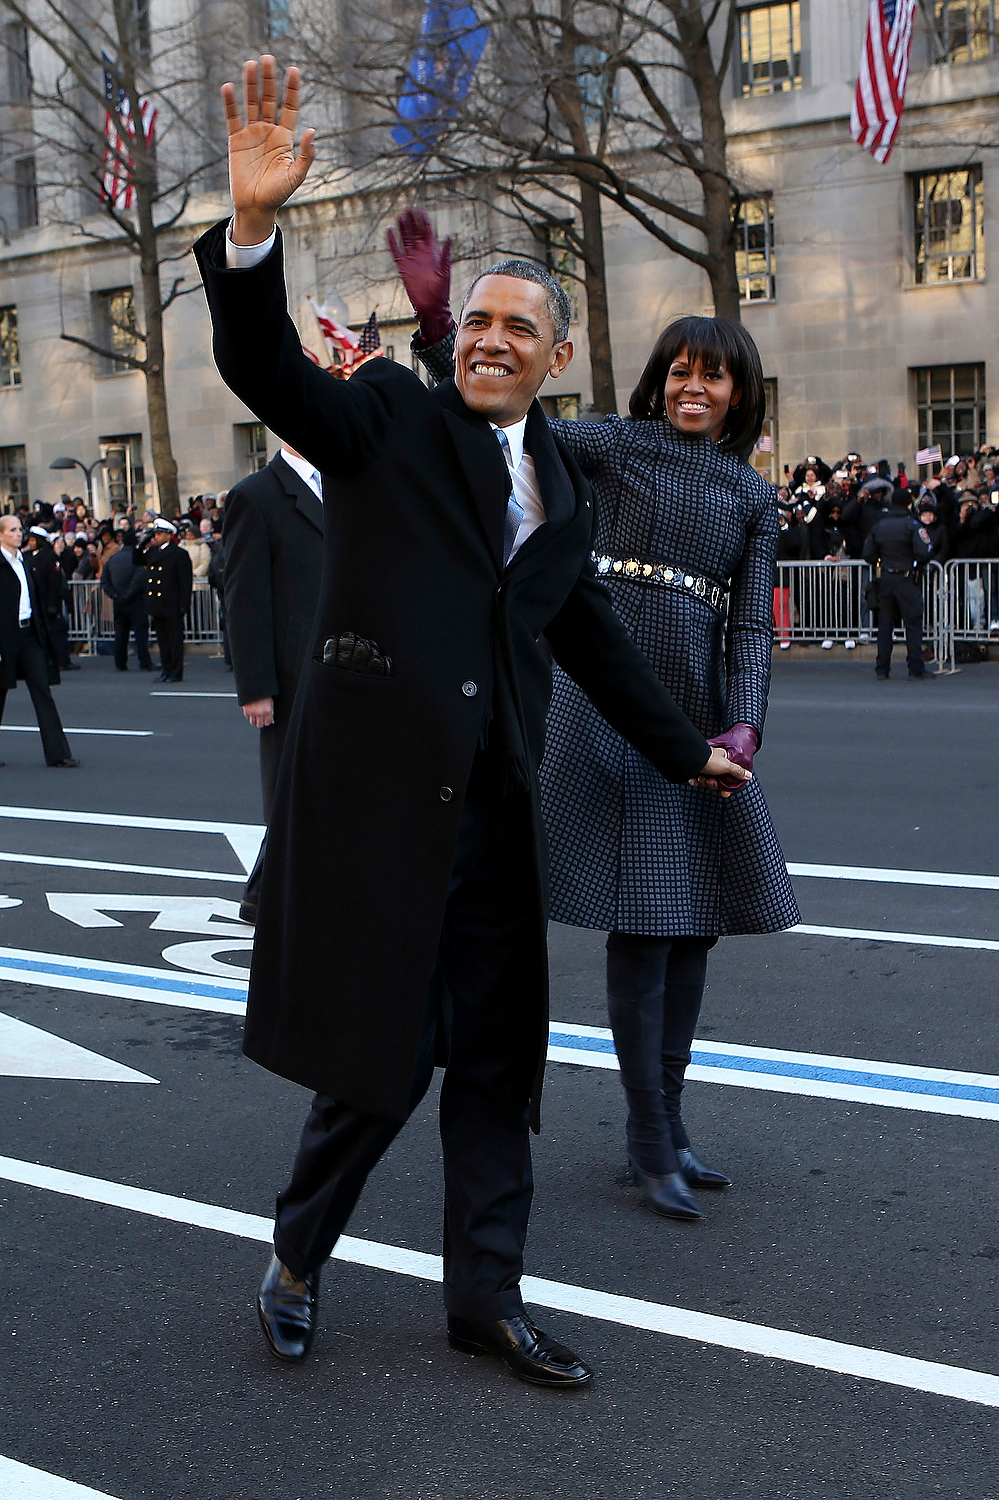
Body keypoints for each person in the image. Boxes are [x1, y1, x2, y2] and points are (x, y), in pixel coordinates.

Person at [194, 55, 747, 1389]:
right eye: (477, 321)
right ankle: (295, 1252)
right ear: (454, 341)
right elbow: (270, 369)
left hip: (498, 813)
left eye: (520, 328)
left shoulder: (560, 475)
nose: (491, 339)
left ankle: (483, 1300)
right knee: (383, 1068)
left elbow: (582, 633)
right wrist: (252, 234)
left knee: (500, 1068)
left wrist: (689, 750)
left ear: (558, 358)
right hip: (385, 814)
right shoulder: (387, 419)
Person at [396, 212, 799, 1222]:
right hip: (608, 705)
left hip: (697, 716)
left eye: (714, 376)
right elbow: (493, 412)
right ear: (656, 379)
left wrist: (744, 726)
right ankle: (647, 1137)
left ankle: (668, 1126)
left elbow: (750, 628)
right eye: (679, 372)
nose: (693, 389)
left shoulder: (754, 497)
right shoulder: (609, 446)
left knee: (694, 924)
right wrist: (443, 329)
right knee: (644, 925)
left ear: (741, 392)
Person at [222, 443, 325, 923]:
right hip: (290, 671)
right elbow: (244, 599)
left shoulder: (344, 483)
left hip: (344, 668)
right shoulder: (256, 495)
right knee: (289, 789)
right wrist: (256, 686)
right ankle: (269, 897)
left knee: (319, 788)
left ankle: (269, 894)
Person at [0, 516, 78, 767]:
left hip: (28, 634)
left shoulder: (24, 561)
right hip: (4, 637)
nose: (18, 534)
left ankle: (58, 754)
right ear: (0, 535)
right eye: (12, 530)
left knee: (42, 691)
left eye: (19, 529)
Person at [863, 487, 932, 679]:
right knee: (912, 624)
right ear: (909, 504)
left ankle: (882, 669)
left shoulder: (880, 525)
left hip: (885, 578)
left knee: (885, 626)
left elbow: (868, 553)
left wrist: (881, 561)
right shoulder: (912, 525)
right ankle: (915, 669)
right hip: (906, 578)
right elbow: (924, 552)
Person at [137, 518, 193, 682]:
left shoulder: (178, 554)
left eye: (160, 533)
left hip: (171, 603)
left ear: (169, 535)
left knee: (174, 641)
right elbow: (138, 558)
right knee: (162, 641)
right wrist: (145, 541)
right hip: (157, 604)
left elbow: (185, 582)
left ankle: (175, 672)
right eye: (155, 533)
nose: (157, 536)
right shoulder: (153, 552)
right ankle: (166, 670)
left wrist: (183, 605)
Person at [26, 527, 77, 672]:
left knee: (57, 633)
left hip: (48, 602)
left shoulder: (50, 557)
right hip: (34, 603)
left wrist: (52, 604)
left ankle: (62, 660)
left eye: (33, 540)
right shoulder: (27, 556)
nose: (30, 543)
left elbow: (55, 583)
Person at [100, 529, 152, 671]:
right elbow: (140, 578)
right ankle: (144, 662)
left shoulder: (114, 558)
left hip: (118, 601)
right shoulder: (138, 559)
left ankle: (120, 662)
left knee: (121, 633)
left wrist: (115, 595)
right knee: (141, 632)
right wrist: (129, 594)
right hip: (135, 600)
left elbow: (104, 580)